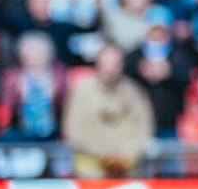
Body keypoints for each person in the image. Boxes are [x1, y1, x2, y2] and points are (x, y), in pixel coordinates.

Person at [63, 45, 156, 177]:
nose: (110, 70)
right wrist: (107, 156)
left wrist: (126, 154)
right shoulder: (82, 92)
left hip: (127, 168)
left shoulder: (133, 92)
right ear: (97, 64)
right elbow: (75, 131)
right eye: (106, 64)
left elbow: (144, 127)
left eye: (115, 65)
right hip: (92, 171)